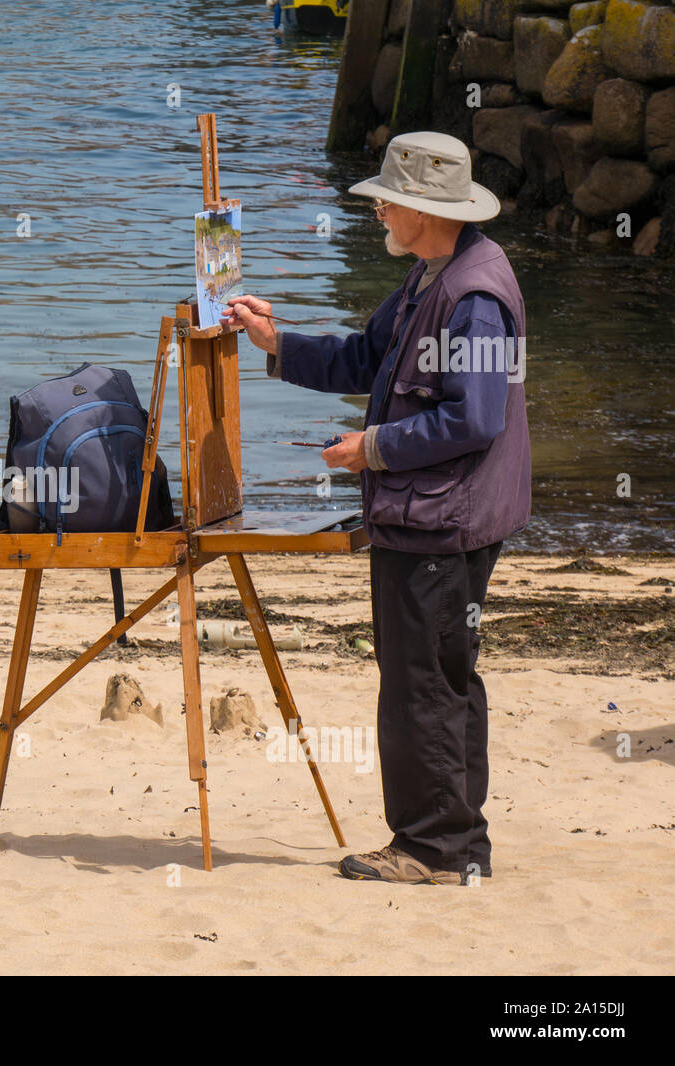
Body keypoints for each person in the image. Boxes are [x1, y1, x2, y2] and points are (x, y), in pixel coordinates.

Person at [222, 131, 531, 886]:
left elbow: (475, 421)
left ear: (422, 210)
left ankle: (432, 849)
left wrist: (373, 449)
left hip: (444, 521)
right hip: (440, 513)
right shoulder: (435, 273)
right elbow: (366, 357)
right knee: (442, 676)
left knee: (424, 681)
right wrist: (276, 342)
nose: (377, 214)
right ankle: (459, 843)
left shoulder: (474, 295)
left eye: (385, 202)